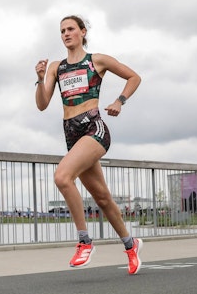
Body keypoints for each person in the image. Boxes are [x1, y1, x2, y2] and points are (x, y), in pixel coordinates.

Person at [34, 15, 144, 274]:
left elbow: (134, 77)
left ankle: (84, 241)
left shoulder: (97, 60)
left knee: (62, 177)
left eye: (71, 29)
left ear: (83, 32)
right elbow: (41, 104)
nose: (66, 34)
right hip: (71, 134)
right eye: (62, 31)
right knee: (103, 198)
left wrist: (119, 101)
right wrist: (40, 78)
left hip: (94, 129)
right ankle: (131, 245)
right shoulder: (56, 68)